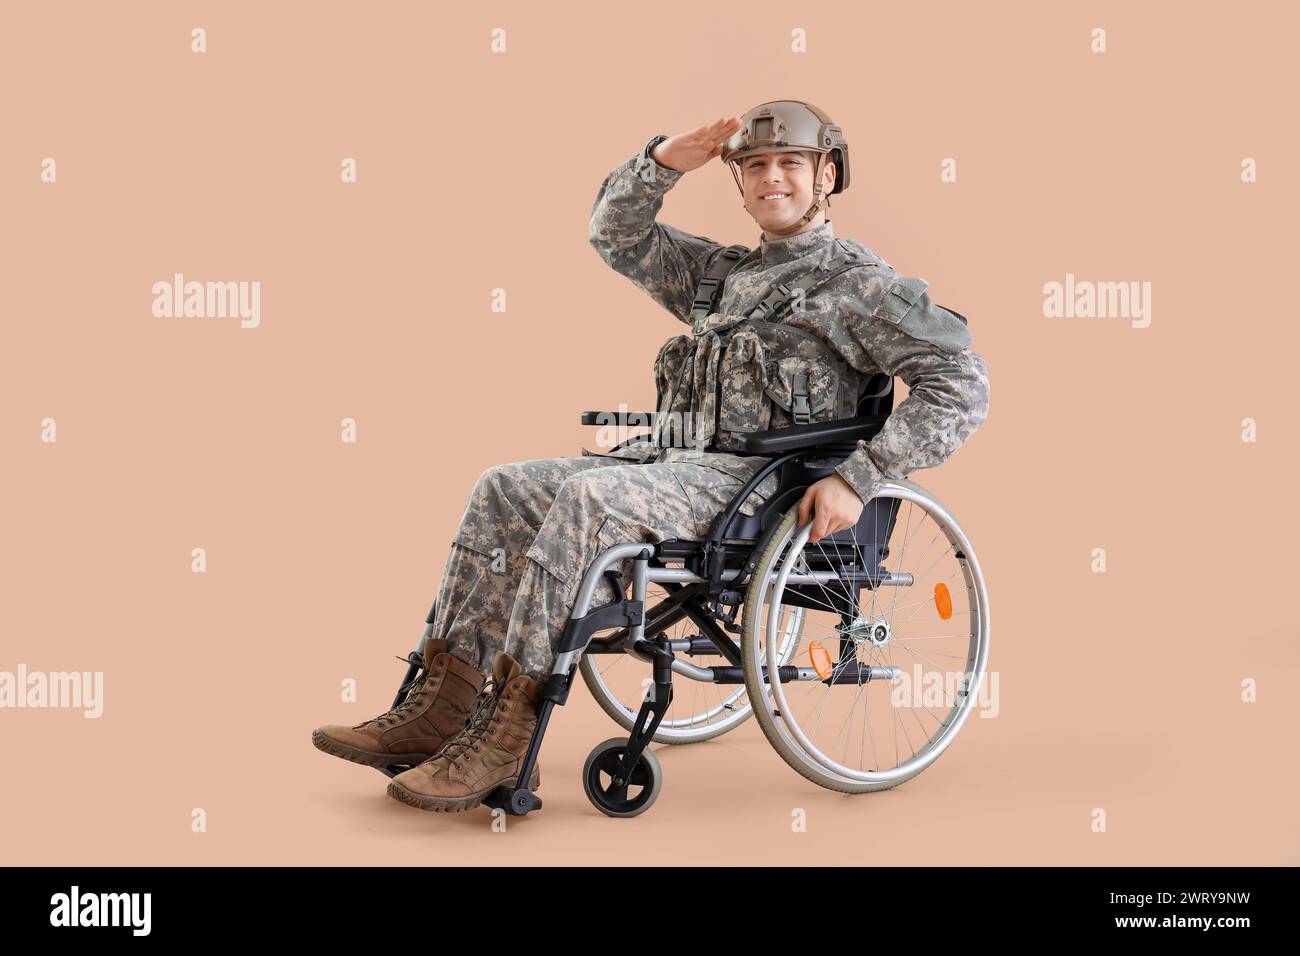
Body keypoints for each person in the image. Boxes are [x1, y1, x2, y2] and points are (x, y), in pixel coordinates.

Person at [312, 100, 991, 814]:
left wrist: (863, 476)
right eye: (755, 165)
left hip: (759, 488)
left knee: (591, 501)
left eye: (790, 162)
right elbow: (616, 232)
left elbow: (963, 385)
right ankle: (438, 709)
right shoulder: (720, 278)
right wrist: (661, 164)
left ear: (828, 175)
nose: (771, 179)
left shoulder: (862, 287)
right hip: (675, 464)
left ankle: (502, 745)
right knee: (502, 487)